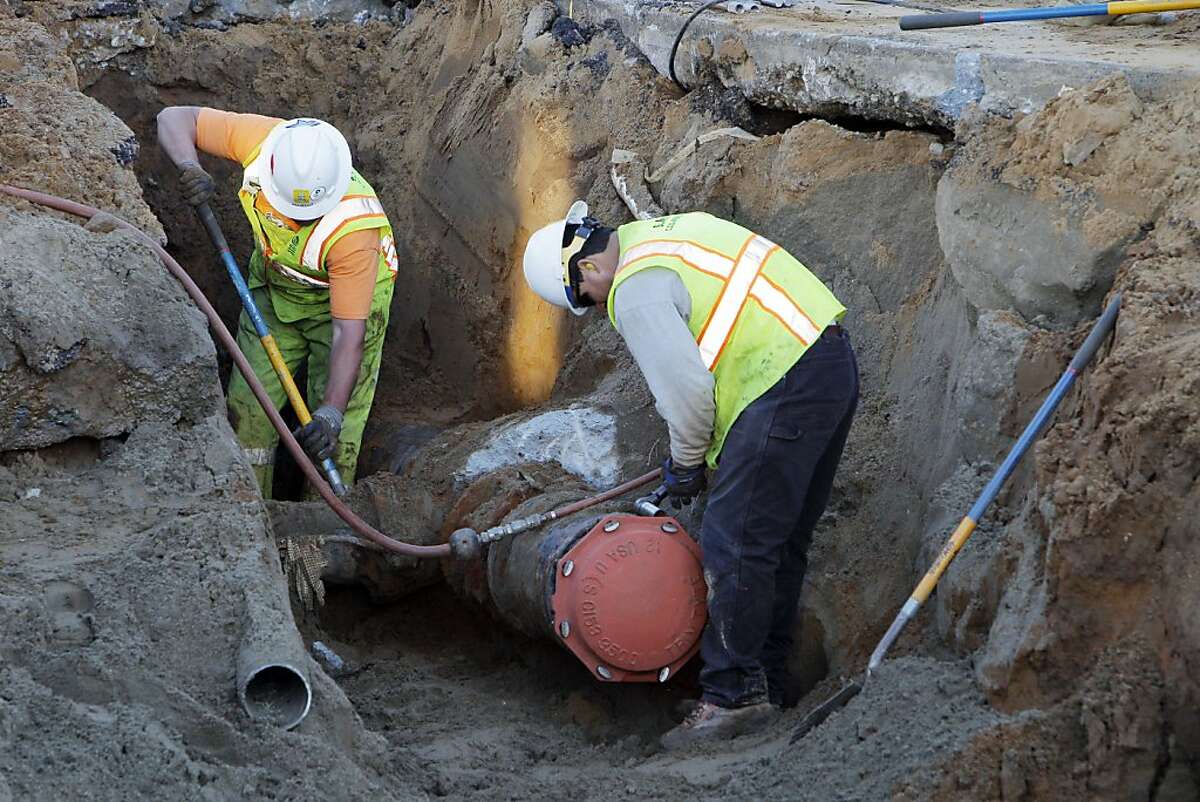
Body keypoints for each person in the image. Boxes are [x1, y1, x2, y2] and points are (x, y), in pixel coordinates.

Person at [522, 202, 859, 750]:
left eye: (587, 299)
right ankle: (764, 682)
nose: (598, 306)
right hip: (827, 365)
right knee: (777, 541)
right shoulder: (668, 234)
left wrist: (684, 464)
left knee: (734, 544)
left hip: (778, 383)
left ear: (585, 272)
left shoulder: (634, 289)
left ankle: (732, 699)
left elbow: (688, 396)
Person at [157, 107, 398, 497]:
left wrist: (331, 413)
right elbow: (174, 118)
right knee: (248, 411)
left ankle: (320, 539)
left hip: (342, 310)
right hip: (273, 291)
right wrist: (190, 167)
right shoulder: (265, 143)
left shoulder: (354, 233)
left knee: (336, 436)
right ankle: (256, 525)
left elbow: (347, 334)